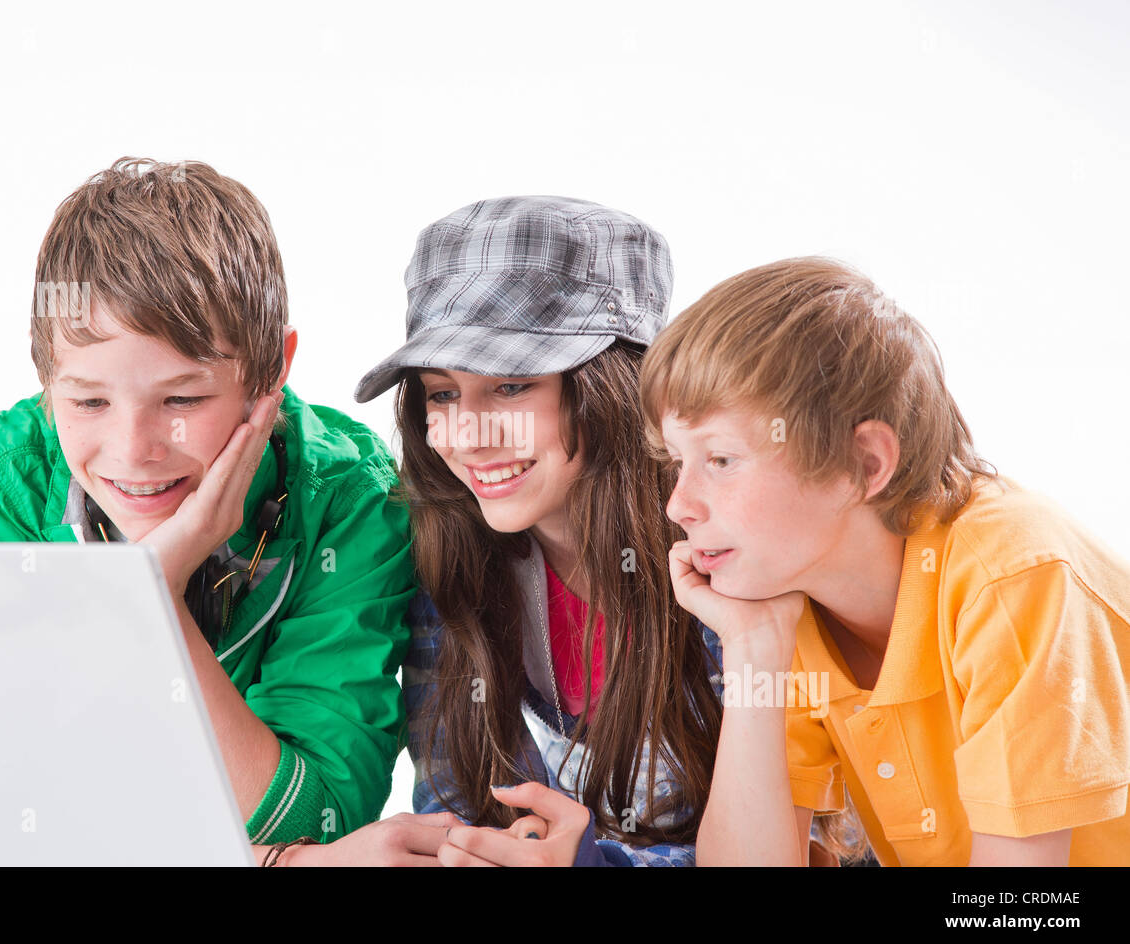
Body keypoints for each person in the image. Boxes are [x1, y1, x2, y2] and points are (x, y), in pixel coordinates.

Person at [0, 157, 416, 862]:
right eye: (88, 401)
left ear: (272, 371)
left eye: (182, 400)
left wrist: (154, 594)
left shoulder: (349, 503)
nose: (133, 450)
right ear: (45, 383)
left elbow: (318, 816)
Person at [277, 196, 724, 867]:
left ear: (615, 383)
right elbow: (457, 810)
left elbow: (797, 845)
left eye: (512, 387)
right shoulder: (451, 564)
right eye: (443, 392)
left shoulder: (725, 555)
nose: (467, 436)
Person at [641, 256, 1130, 866]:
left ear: (866, 464)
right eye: (674, 462)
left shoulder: (1012, 577)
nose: (678, 505)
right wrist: (751, 648)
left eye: (720, 460)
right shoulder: (791, 596)